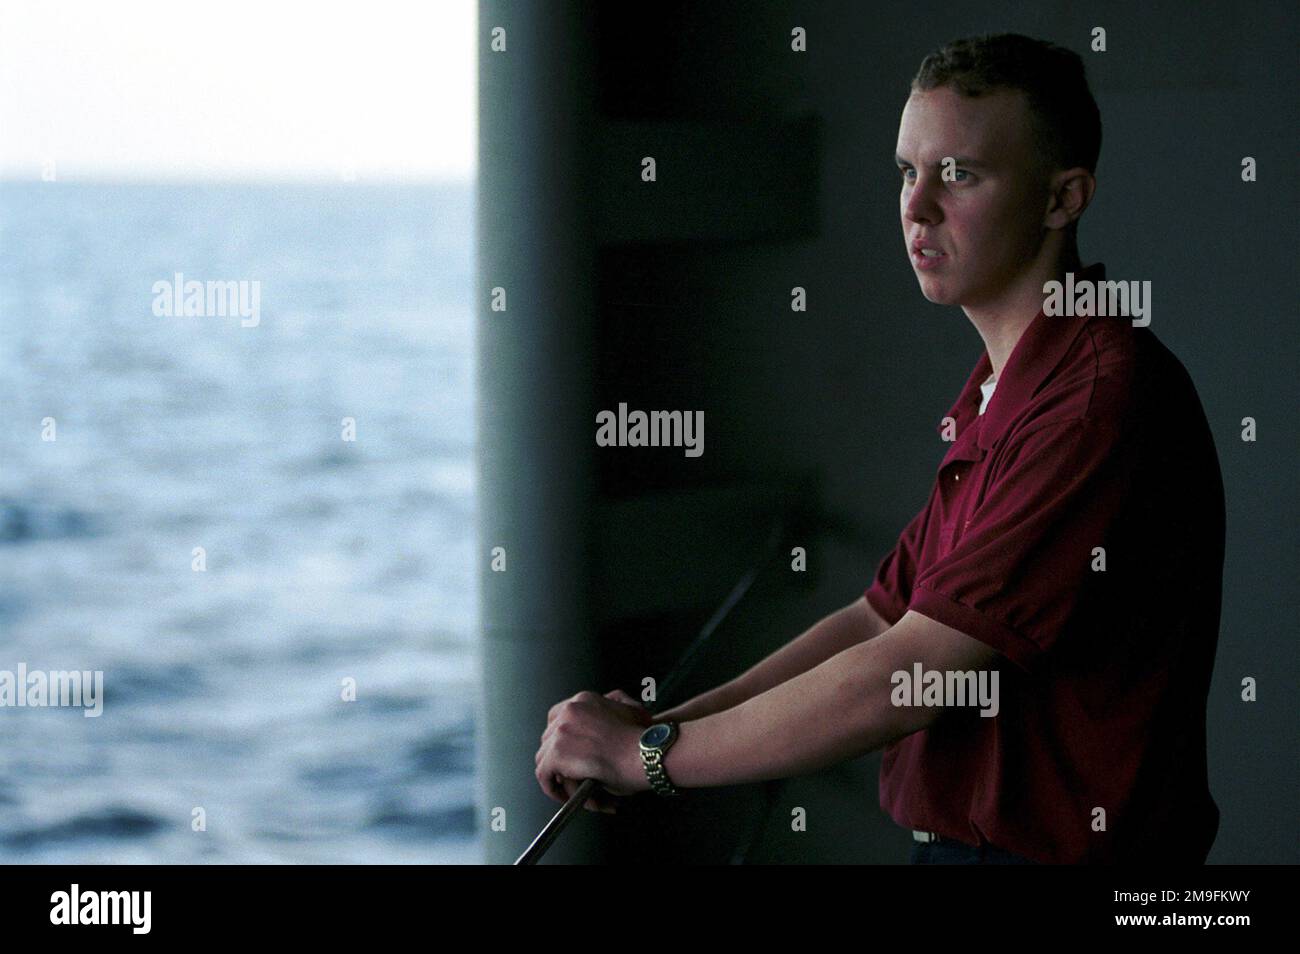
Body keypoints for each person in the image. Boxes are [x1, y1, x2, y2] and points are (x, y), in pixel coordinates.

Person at [534, 33, 1225, 864]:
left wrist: (644, 761)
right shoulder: (1005, 389)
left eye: (959, 174)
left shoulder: (1092, 404)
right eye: (908, 170)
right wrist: (663, 730)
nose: (918, 206)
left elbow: (907, 674)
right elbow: (879, 619)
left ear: (1061, 198)